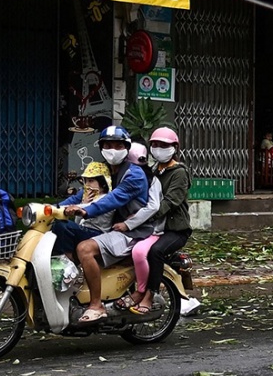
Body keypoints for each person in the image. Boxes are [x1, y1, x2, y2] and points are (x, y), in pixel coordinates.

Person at [60, 125, 152, 324]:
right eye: (108, 145)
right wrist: (52, 209)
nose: (112, 150)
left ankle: (96, 305)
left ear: (126, 148)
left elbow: (114, 199)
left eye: (118, 146)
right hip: (113, 229)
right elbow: (81, 194)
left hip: (133, 231)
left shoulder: (134, 174)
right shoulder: (106, 171)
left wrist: (86, 209)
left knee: (84, 249)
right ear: (101, 148)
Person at [126, 127, 191, 318]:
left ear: (174, 147)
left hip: (175, 230)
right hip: (153, 228)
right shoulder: (154, 170)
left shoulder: (179, 172)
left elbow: (170, 202)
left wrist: (144, 216)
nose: (158, 148)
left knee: (156, 252)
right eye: (154, 144)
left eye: (164, 145)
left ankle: (149, 294)